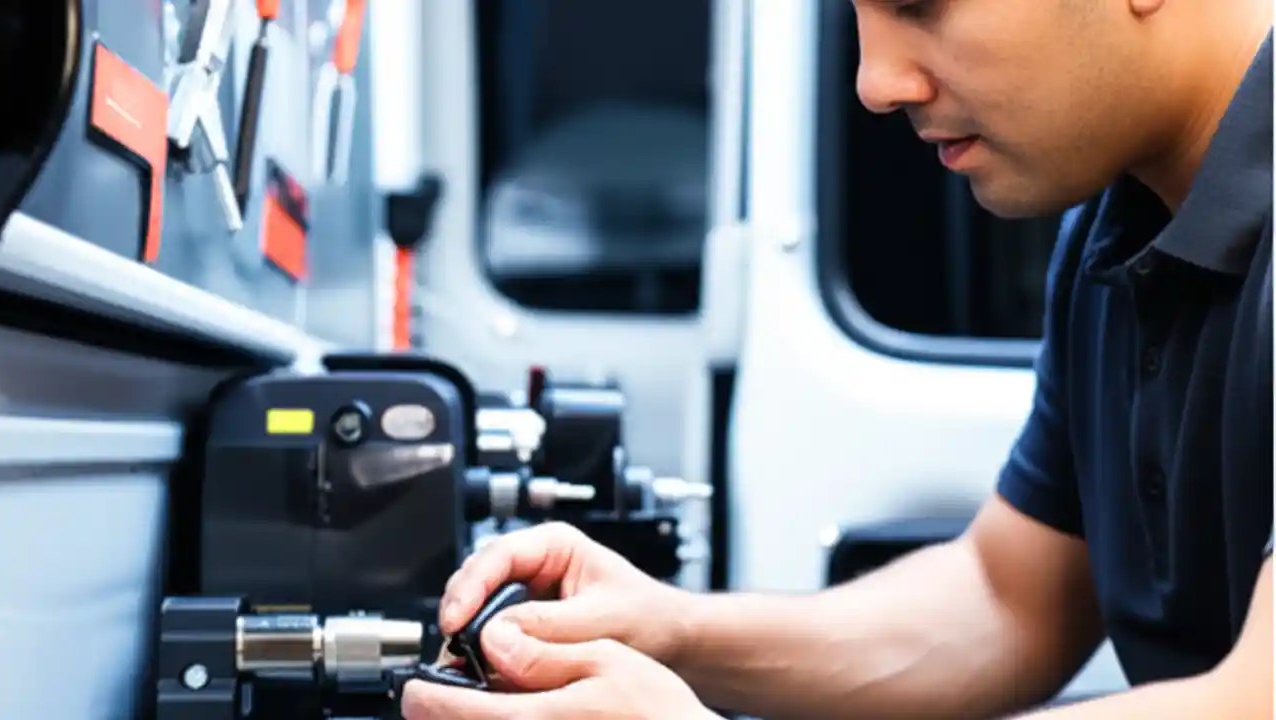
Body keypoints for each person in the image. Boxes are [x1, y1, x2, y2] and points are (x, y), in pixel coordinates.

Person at [404, 0, 1274, 717]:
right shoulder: (1111, 239)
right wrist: (665, 631)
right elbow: (1005, 601)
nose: (875, 84)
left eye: (918, 6)